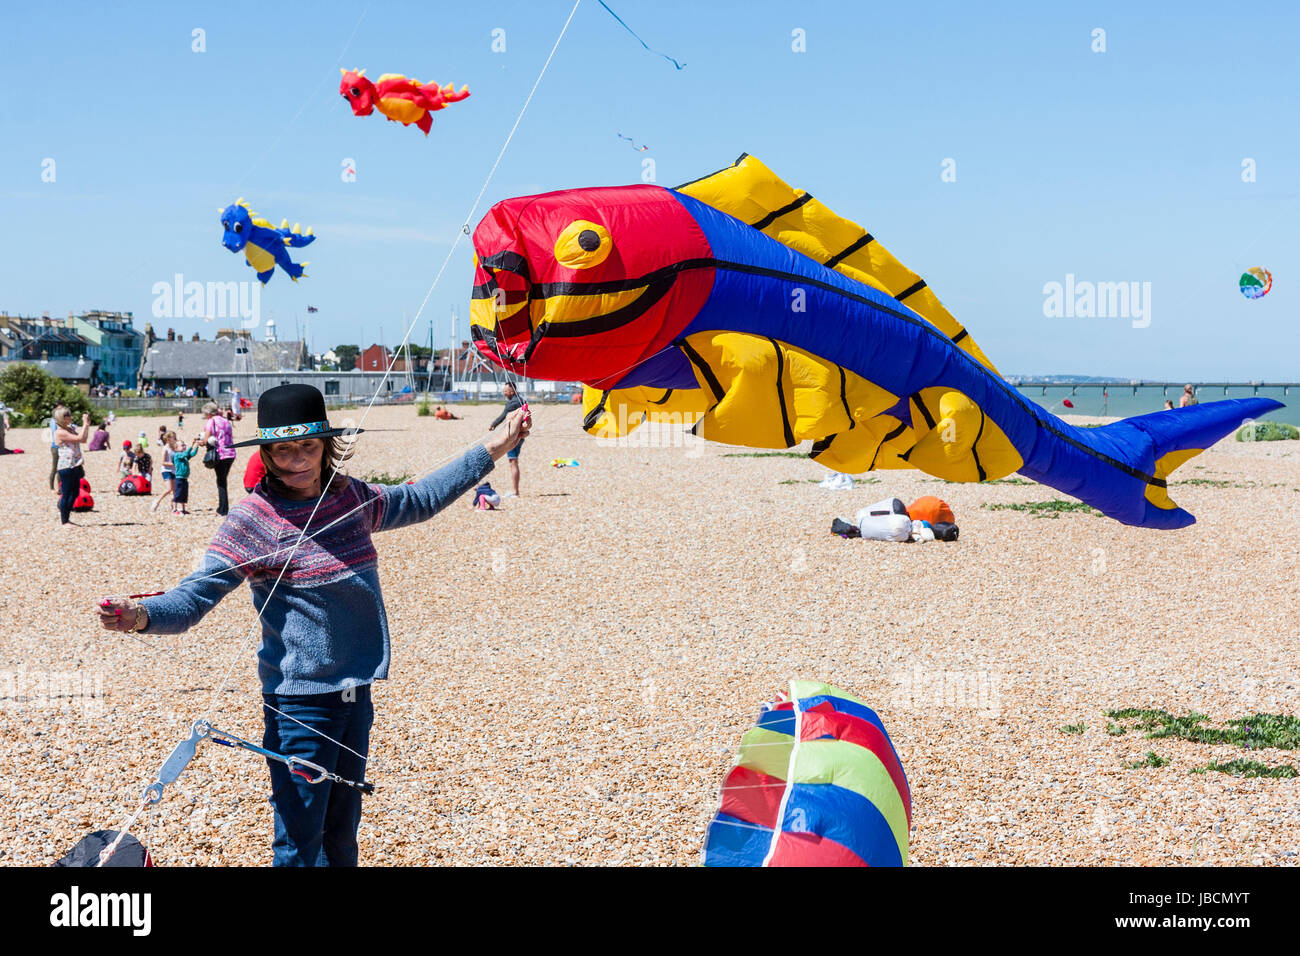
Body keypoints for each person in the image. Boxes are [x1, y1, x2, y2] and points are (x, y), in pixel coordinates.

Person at [96, 384, 530, 866]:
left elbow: (421, 497)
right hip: (300, 706)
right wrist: (140, 617)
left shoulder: (351, 497)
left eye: (308, 445)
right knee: (300, 841)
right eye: (283, 449)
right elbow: (194, 596)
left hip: (355, 694)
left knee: (342, 836)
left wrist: (493, 447)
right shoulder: (252, 521)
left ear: (327, 444)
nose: (298, 458)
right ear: (266, 452)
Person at [53, 405, 91, 525]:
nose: (69, 417)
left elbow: (83, 438)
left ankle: (67, 518)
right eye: (66, 415)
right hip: (66, 466)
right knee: (67, 493)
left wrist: (87, 425)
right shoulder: (60, 432)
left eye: (69, 414)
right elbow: (80, 438)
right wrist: (85, 424)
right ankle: (64, 520)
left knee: (74, 493)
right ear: (61, 418)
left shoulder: (69, 429)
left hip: (75, 464)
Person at [488, 382, 526, 496]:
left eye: (506, 391)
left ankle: (515, 491)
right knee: (513, 461)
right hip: (520, 434)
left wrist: (493, 424)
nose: (504, 393)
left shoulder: (513, 402)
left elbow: (503, 415)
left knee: (513, 461)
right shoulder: (520, 400)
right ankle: (515, 490)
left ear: (512, 391)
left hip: (514, 435)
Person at [202, 400, 238, 516]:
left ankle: (223, 509)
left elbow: (206, 440)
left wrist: (200, 442)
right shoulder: (226, 421)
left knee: (221, 482)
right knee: (223, 480)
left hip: (220, 454)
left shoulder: (211, 421)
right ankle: (223, 507)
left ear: (208, 413)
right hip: (231, 453)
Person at [169, 434, 201, 515]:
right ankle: (175, 508)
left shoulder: (184, 455)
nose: (184, 446)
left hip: (184, 477)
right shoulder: (177, 455)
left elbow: (192, 454)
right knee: (178, 493)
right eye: (182, 445)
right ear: (176, 448)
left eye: (184, 445)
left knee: (184, 493)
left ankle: (183, 509)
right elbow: (186, 454)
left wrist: (196, 446)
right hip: (179, 477)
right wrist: (192, 444)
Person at [152, 431, 178, 513]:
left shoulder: (174, 448)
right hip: (166, 470)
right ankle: (156, 501)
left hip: (173, 470)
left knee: (174, 490)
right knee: (168, 489)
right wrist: (173, 464)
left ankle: (174, 507)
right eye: (174, 438)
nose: (175, 439)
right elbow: (162, 462)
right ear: (168, 439)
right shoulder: (165, 448)